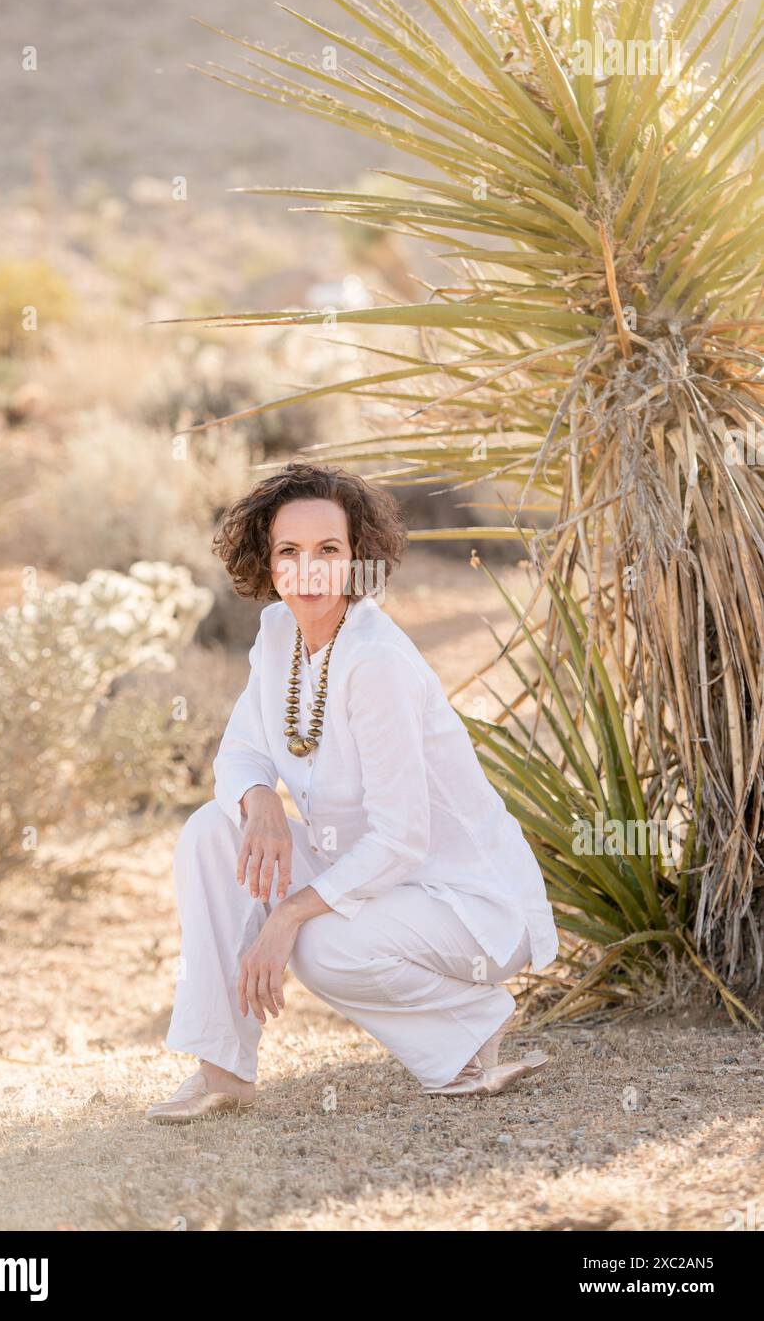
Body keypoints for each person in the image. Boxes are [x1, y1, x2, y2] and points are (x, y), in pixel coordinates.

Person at [147, 461, 558, 1122]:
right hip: (377, 879)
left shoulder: (376, 663)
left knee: (321, 946)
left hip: (465, 904)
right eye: (289, 551)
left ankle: (473, 1030)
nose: (307, 569)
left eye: (327, 551)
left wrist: (285, 915)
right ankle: (221, 1067)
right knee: (209, 831)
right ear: (267, 559)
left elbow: (401, 838)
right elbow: (242, 751)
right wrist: (261, 804)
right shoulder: (278, 632)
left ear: (357, 560)